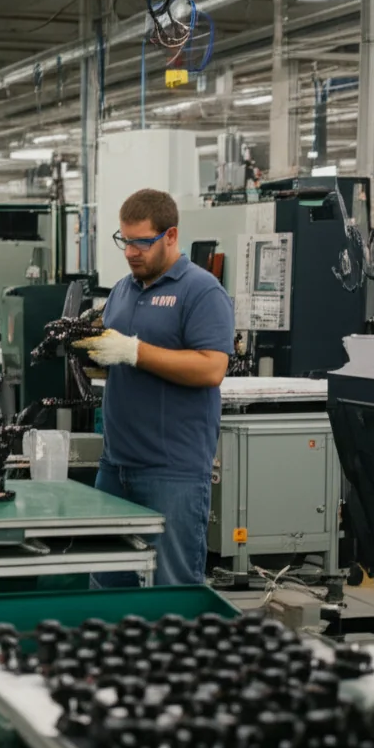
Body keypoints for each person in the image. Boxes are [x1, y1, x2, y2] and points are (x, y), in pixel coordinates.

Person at [75, 189, 234, 587]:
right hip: (116, 464)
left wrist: (134, 351)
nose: (131, 252)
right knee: (107, 584)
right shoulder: (123, 290)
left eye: (141, 242)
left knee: (172, 586)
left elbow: (212, 368)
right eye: (124, 241)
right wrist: (94, 354)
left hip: (172, 470)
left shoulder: (202, 291)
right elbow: (120, 365)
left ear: (170, 236)